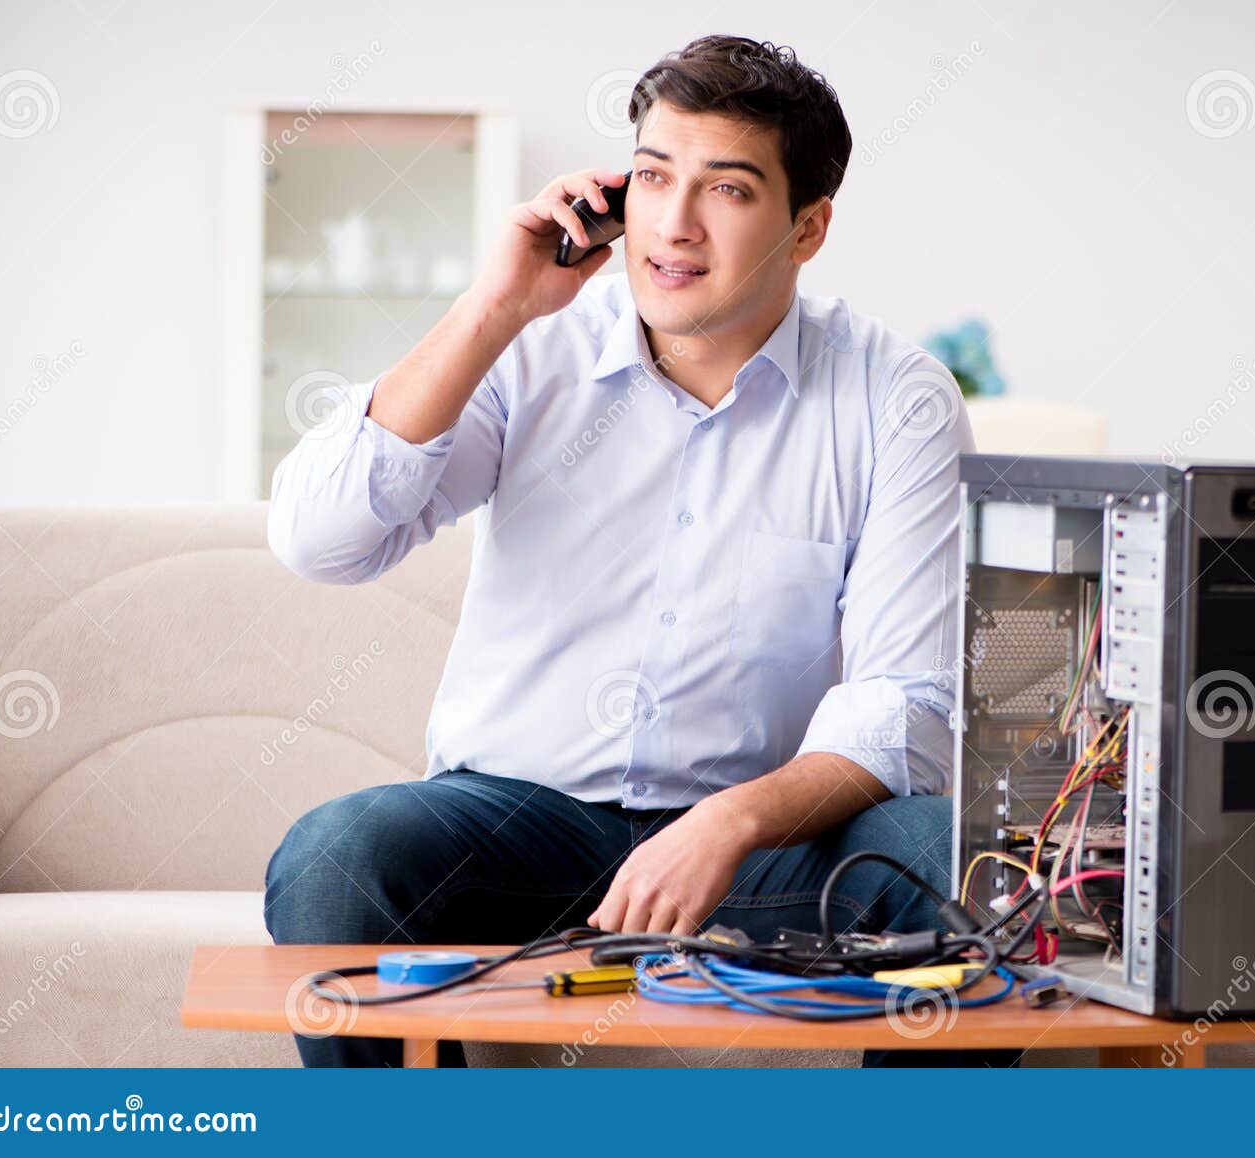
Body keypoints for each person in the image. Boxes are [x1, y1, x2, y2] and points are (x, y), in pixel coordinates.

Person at [263, 33, 1014, 1069]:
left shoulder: (896, 396)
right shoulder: (530, 345)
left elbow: (908, 701)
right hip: (520, 822)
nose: (673, 224)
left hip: (763, 849)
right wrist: (494, 307)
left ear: (808, 227)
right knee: (337, 858)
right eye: (654, 177)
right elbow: (320, 542)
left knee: (951, 860)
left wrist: (730, 823)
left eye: (728, 190)